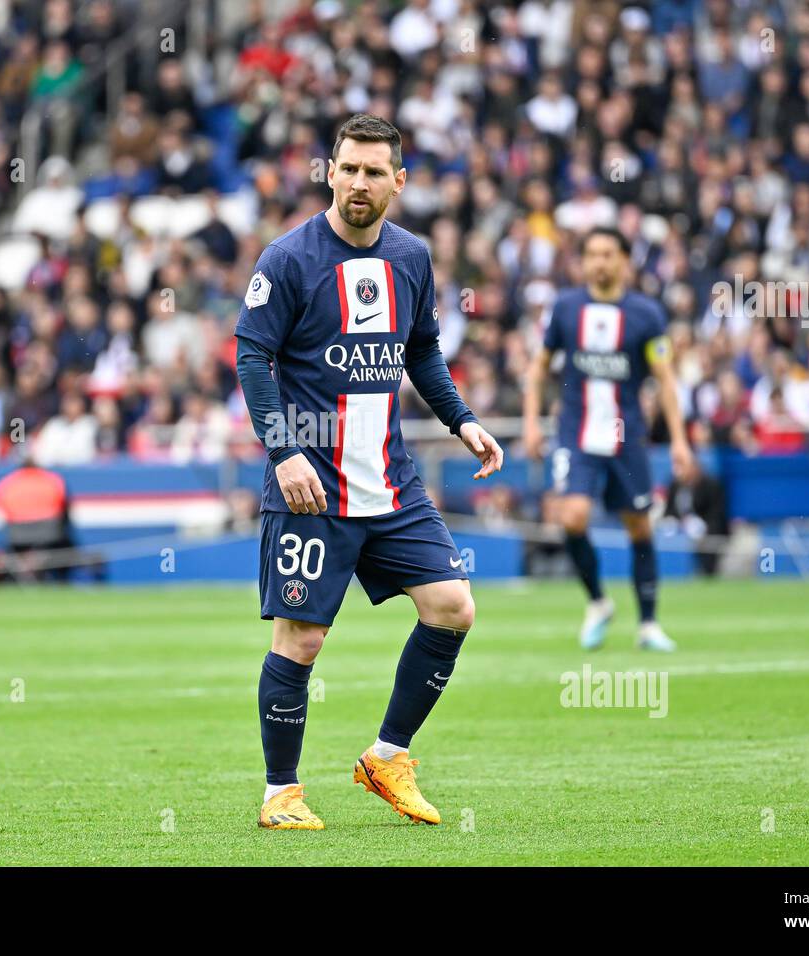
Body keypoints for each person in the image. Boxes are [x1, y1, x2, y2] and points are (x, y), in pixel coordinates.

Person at [235, 114, 504, 830]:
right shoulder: (288, 259)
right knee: (302, 638)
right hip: (311, 482)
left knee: (453, 608)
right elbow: (251, 358)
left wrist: (463, 419)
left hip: (388, 479)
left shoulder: (412, 258)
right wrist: (284, 451)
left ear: (399, 182)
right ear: (329, 171)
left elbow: (422, 350)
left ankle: (386, 756)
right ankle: (280, 793)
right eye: (347, 168)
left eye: (374, 172)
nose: (359, 183)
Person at [523, 226, 694, 651]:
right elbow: (539, 368)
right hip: (576, 436)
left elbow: (665, 379)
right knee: (573, 516)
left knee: (638, 525)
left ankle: (649, 623)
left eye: (608, 254)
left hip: (626, 437)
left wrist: (679, 440)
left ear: (623, 260)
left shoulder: (647, 314)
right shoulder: (564, 308)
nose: (599, 262)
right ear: (582, 261)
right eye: (592, 254)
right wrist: (530, 422)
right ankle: (598, 601)